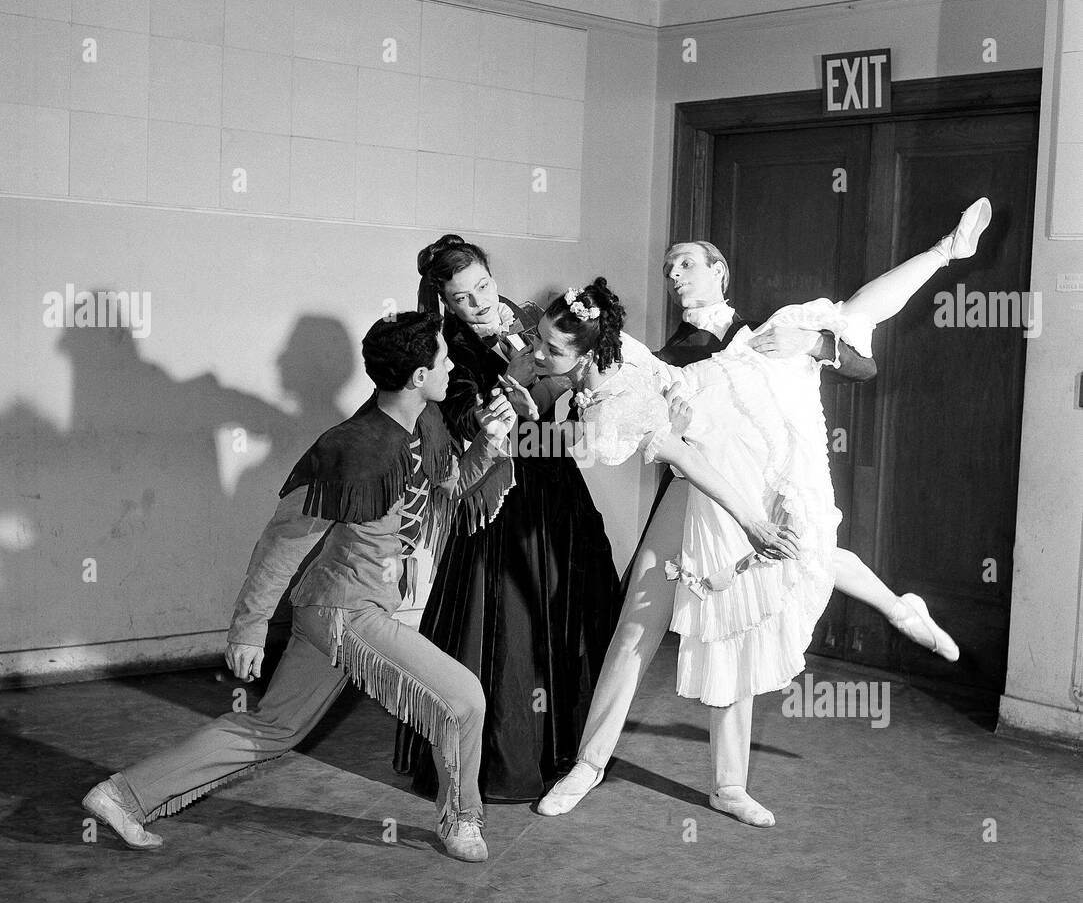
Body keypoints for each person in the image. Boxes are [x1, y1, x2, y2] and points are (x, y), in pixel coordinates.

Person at [538, 199, 992, 825]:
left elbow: (862, 355)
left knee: (749, 616)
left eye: (688, 263)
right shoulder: (664, 354)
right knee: (640, 622)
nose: (675, 274)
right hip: (699, 490)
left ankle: (730, 782)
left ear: (720, 272)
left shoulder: (762, 335)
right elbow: (618, 381)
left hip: (761, 475)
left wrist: (812, 340)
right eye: (668, 266)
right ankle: (588, 764)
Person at [82, 313, 517, 863]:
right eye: (442, 357)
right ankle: (461, 820)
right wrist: (248, 627)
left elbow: (449, 486)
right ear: (416, 376)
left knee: (276, 728)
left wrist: (489, 440)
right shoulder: (350, 447)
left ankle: (123, 795)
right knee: (463, 697)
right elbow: (283, 539)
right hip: (345, 611)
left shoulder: (424, 423)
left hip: (341, 609)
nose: (452, 364)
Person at [393, 236, 622, 802]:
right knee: (506, 618)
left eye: (483, 287)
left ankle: (574, 750)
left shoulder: (531, 317)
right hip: (502, 494)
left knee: (572, 602)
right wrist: (512, 377)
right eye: (462, 298)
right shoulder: (451, 350)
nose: (479, 303)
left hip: (556, 480)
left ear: (493, 277)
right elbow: (469, 423)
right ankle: (502, 756)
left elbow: (583, 377)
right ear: (444, 302)